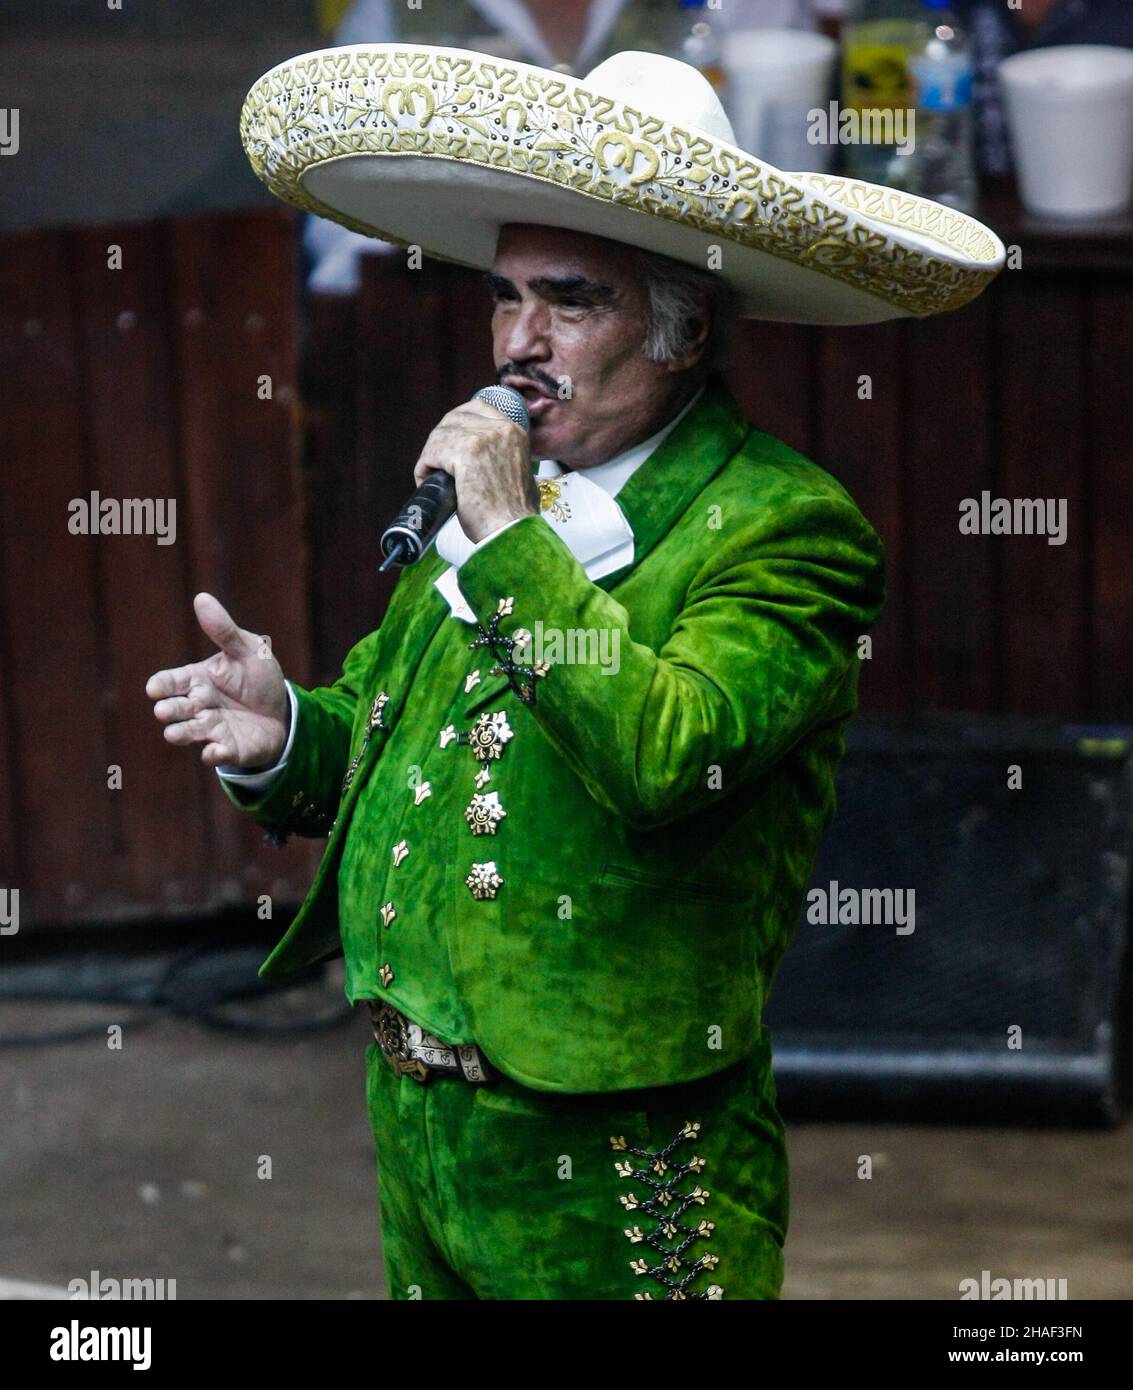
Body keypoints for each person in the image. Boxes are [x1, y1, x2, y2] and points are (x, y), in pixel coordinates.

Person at [147, 44, 1003, 1299]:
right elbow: (404, 746)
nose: (517, 342)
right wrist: (282, 730)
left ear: (685, 324)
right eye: (502, 297)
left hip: (618, 1154)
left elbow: (670, 753)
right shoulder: (505, 496)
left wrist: (510, 545)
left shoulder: (779, 525)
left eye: (569, 300)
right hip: (418, 1122)